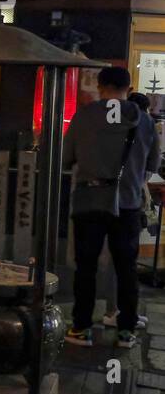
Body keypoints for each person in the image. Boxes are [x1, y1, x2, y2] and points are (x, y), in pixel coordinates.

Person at [63, 67, 160, 348]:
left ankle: (81, 328)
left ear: (100, 85)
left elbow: (66, 157)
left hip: (89, 202)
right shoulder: (144, 121)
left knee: (86, 267)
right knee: (126, 268)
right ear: (128, 88)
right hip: (127, 204)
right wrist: (131, 179)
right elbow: (152, 165)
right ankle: (126, 331)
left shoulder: (84, 116)